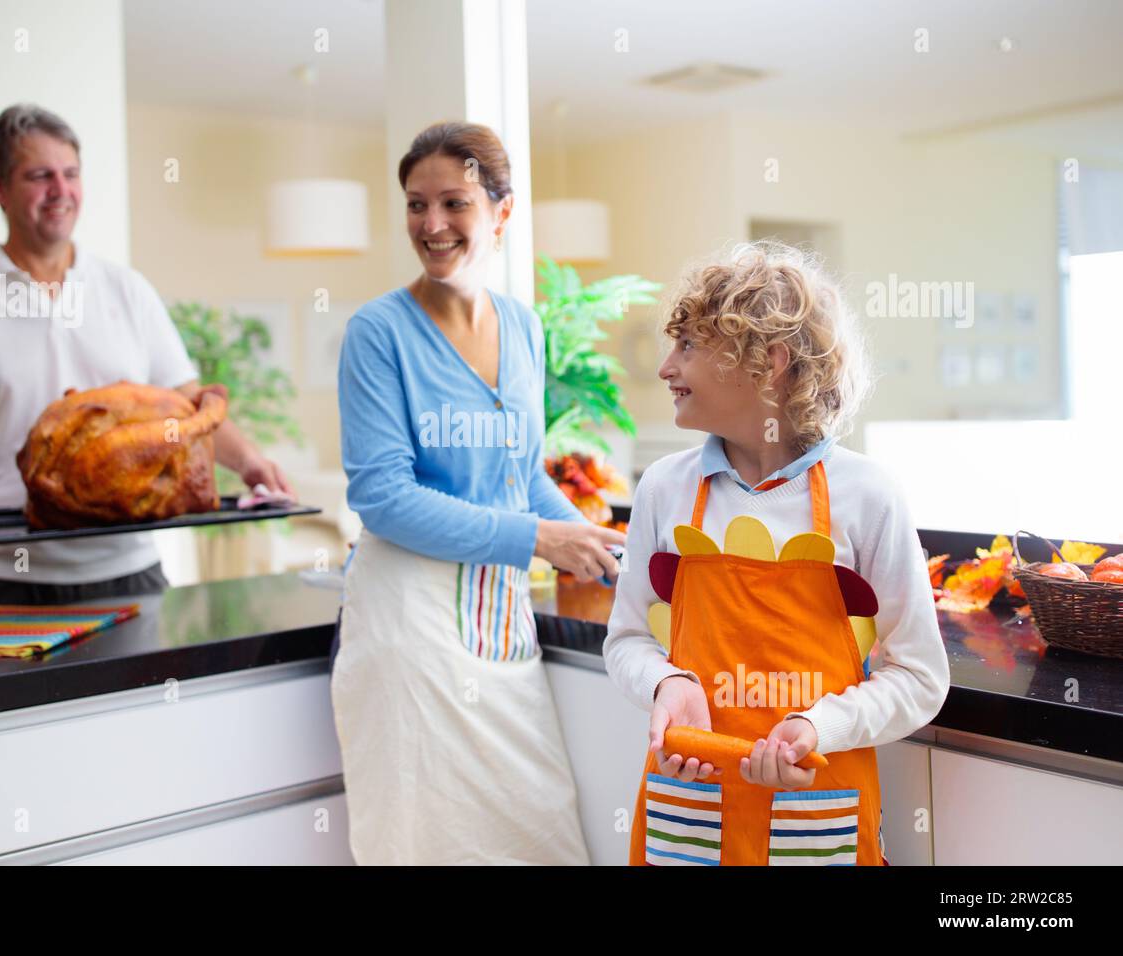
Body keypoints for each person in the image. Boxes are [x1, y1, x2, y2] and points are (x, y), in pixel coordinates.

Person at [331, 122, 625, 864]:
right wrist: (540, 540)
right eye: (415, 204)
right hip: (409, 628)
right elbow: (385, 498)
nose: (431, 225)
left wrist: (606, 551)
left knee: (539, 829)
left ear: (501, 210)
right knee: (426, 841)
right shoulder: (378, 334)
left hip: (499, 619)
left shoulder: (523, 329)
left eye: (454, 203)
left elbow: (521, 478)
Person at [605, 241, 950, 866]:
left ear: (769, 360)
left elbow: (921, 678)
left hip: (819, 817)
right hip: (686, 809)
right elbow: (626, 639)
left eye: (687, 345)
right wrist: (667, 684)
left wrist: (821, 728)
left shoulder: (868, 495)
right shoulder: (664, 487)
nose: (664, 367)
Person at [0, 104, 291, 613]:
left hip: (123, 571)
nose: (60, 191)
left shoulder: (126, 289)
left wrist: (251, 463)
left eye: (70, 174)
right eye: (39, 176)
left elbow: (192, 407)